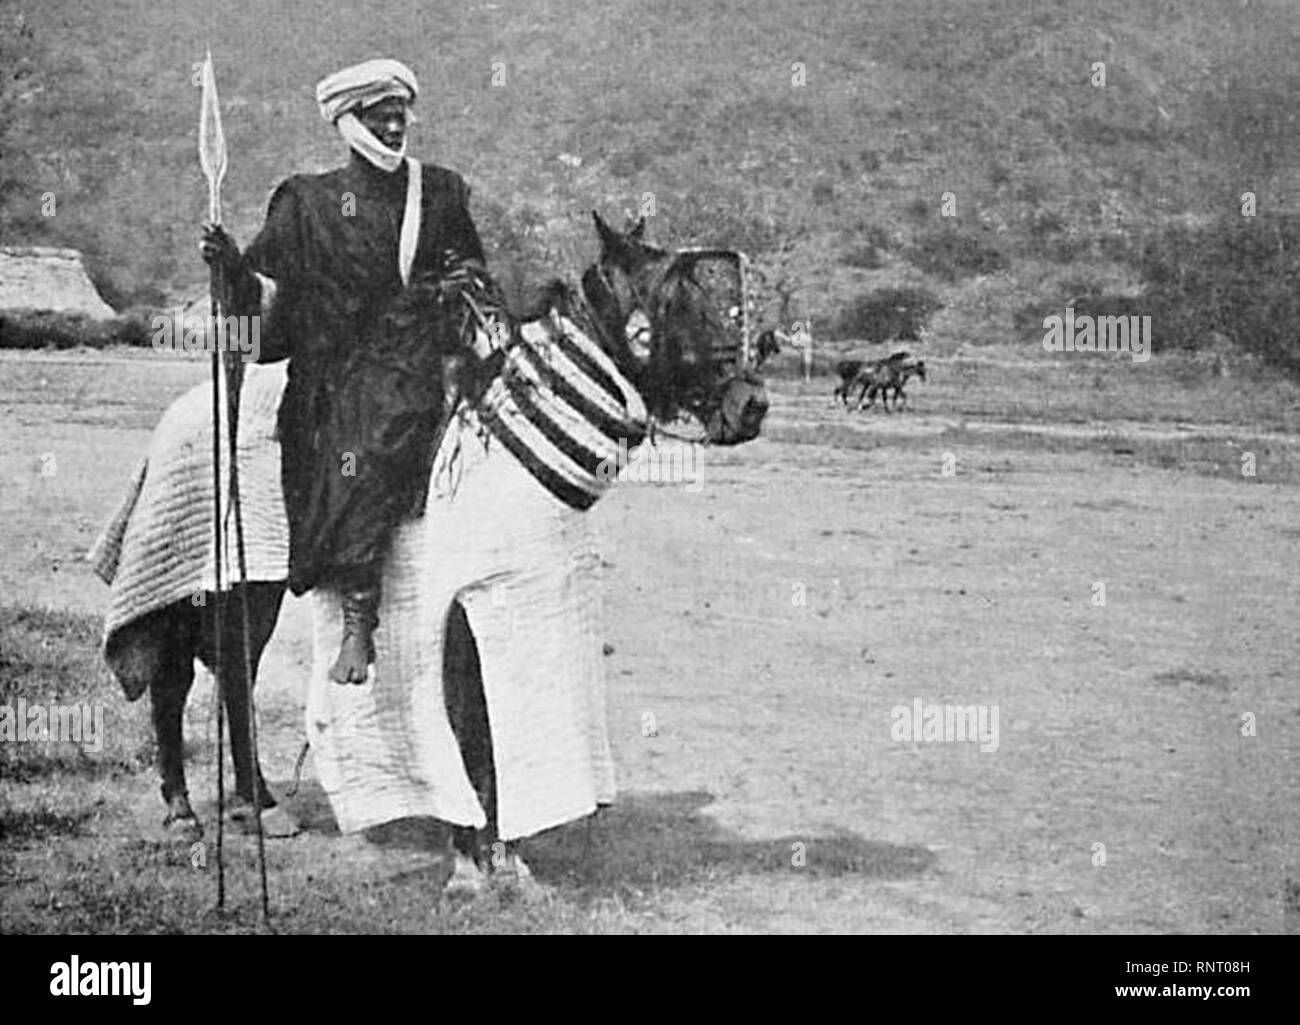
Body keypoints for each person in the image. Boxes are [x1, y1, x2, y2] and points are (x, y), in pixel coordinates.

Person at [200, 58, 486, 684]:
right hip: (333, 374)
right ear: (348, 122)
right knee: (367, 434)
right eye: (379, 116)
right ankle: (360, 617)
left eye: (399, 115)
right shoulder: (307, 201)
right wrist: (230, 271)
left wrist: (446, 291)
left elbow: (475, 275)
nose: (393, 127)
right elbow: (263, 293)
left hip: (419, 352)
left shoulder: (439, 191)